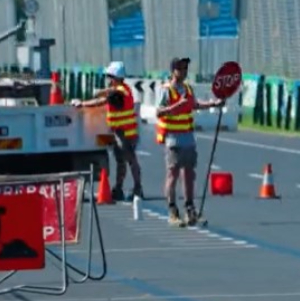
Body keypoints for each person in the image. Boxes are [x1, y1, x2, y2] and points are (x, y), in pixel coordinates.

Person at [155, 57, 223, 227]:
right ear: (173, 71)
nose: (184, 72)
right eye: (180, 68)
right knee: (173, 174)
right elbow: (159, 112)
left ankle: (190, 209)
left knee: (188, 175)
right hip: (173, 139)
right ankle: (172, 211)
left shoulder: (188, 88)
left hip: (188, 138)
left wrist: (213, 104)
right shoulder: (166, 90)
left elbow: (194, 105)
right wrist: (178, 104)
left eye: (185, 68)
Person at [72, 61, 144, 200]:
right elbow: (108, 93)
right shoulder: (122, 89)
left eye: (109, 77)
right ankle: (119, 189)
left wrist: (83, 103)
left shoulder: (119, 92)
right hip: (119, 132)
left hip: (125, 134)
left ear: (115, 77)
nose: (108, 79)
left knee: (130, 160)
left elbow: (102, 100)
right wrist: (100, 92)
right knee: (121, 161)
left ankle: (137, 189)